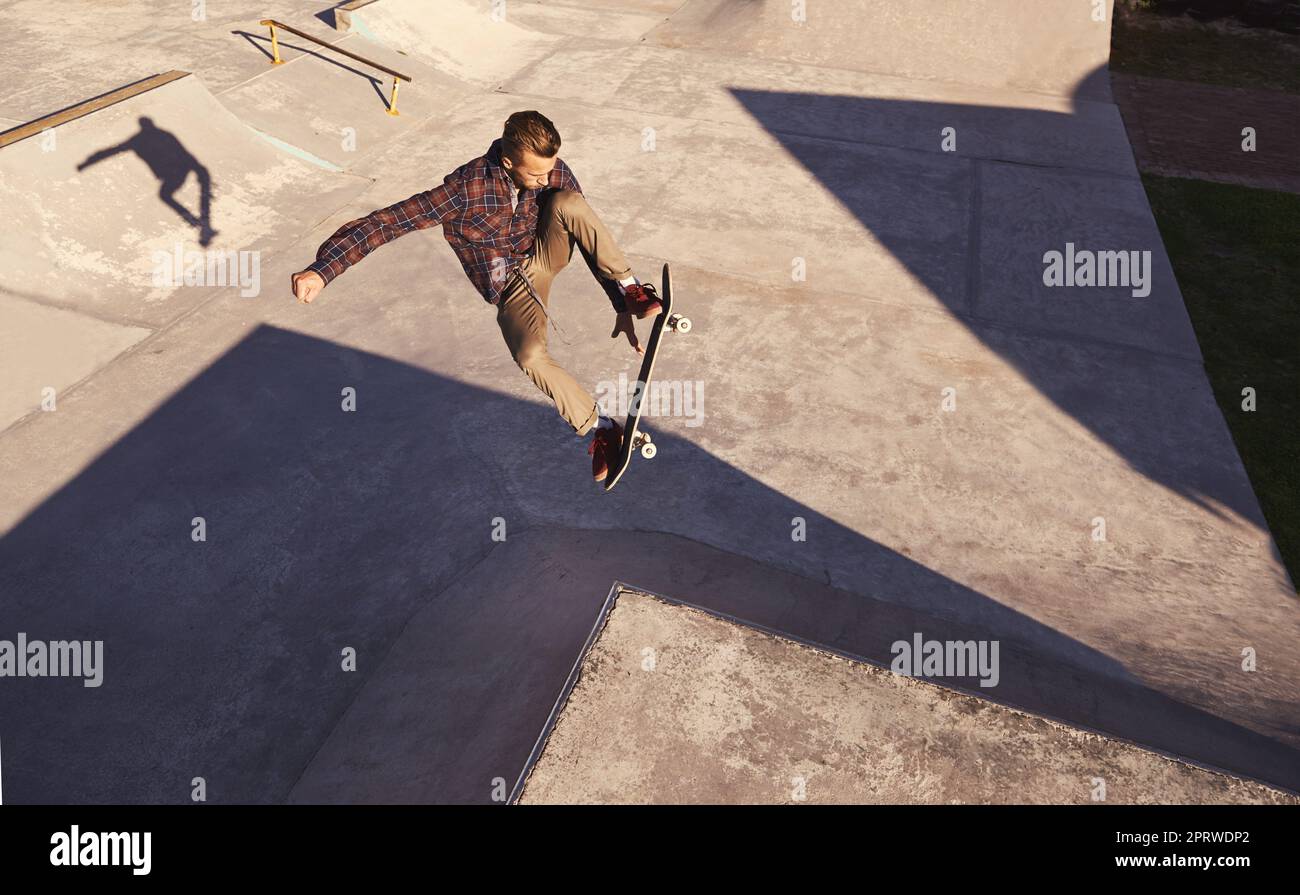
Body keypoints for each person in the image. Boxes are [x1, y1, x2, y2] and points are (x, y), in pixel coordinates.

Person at [291, 110, 660, 482]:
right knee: (530, 356)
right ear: (507, 162)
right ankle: (602, 427)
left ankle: (634, 289)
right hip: (510, 288)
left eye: (548, 170)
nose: (544, 179)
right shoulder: (463, 190)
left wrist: (620, 299)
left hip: (546, 255)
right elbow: (389, 222)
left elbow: (585, 233)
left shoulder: (554, 171)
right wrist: (323, 270)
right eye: (534, 175)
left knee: (569, 202)